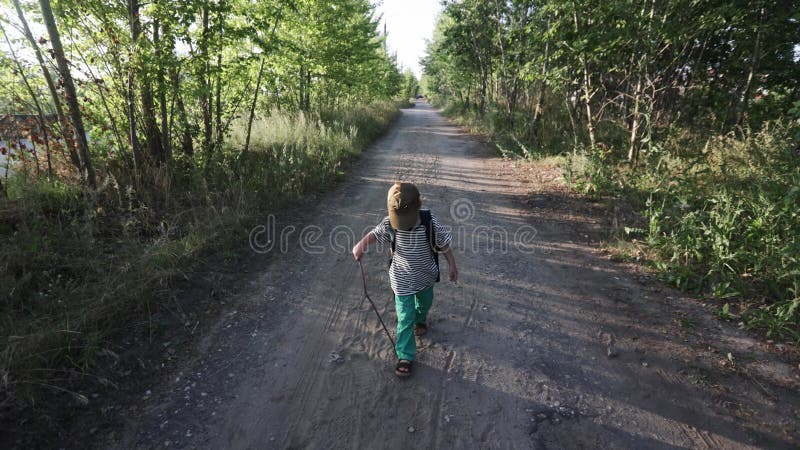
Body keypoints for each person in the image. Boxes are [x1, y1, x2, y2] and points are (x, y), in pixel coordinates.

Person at [352, 182, 458, 377]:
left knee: (424, 304)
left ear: (419, 204)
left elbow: (443, 243)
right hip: (401, 279)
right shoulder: (390, 223)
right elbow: (375, 234)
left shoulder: (428, 220)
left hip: (425, 275)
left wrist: (452, 264)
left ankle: (421, 318)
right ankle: (405, 355)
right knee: (404, 318)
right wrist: (361, 245)